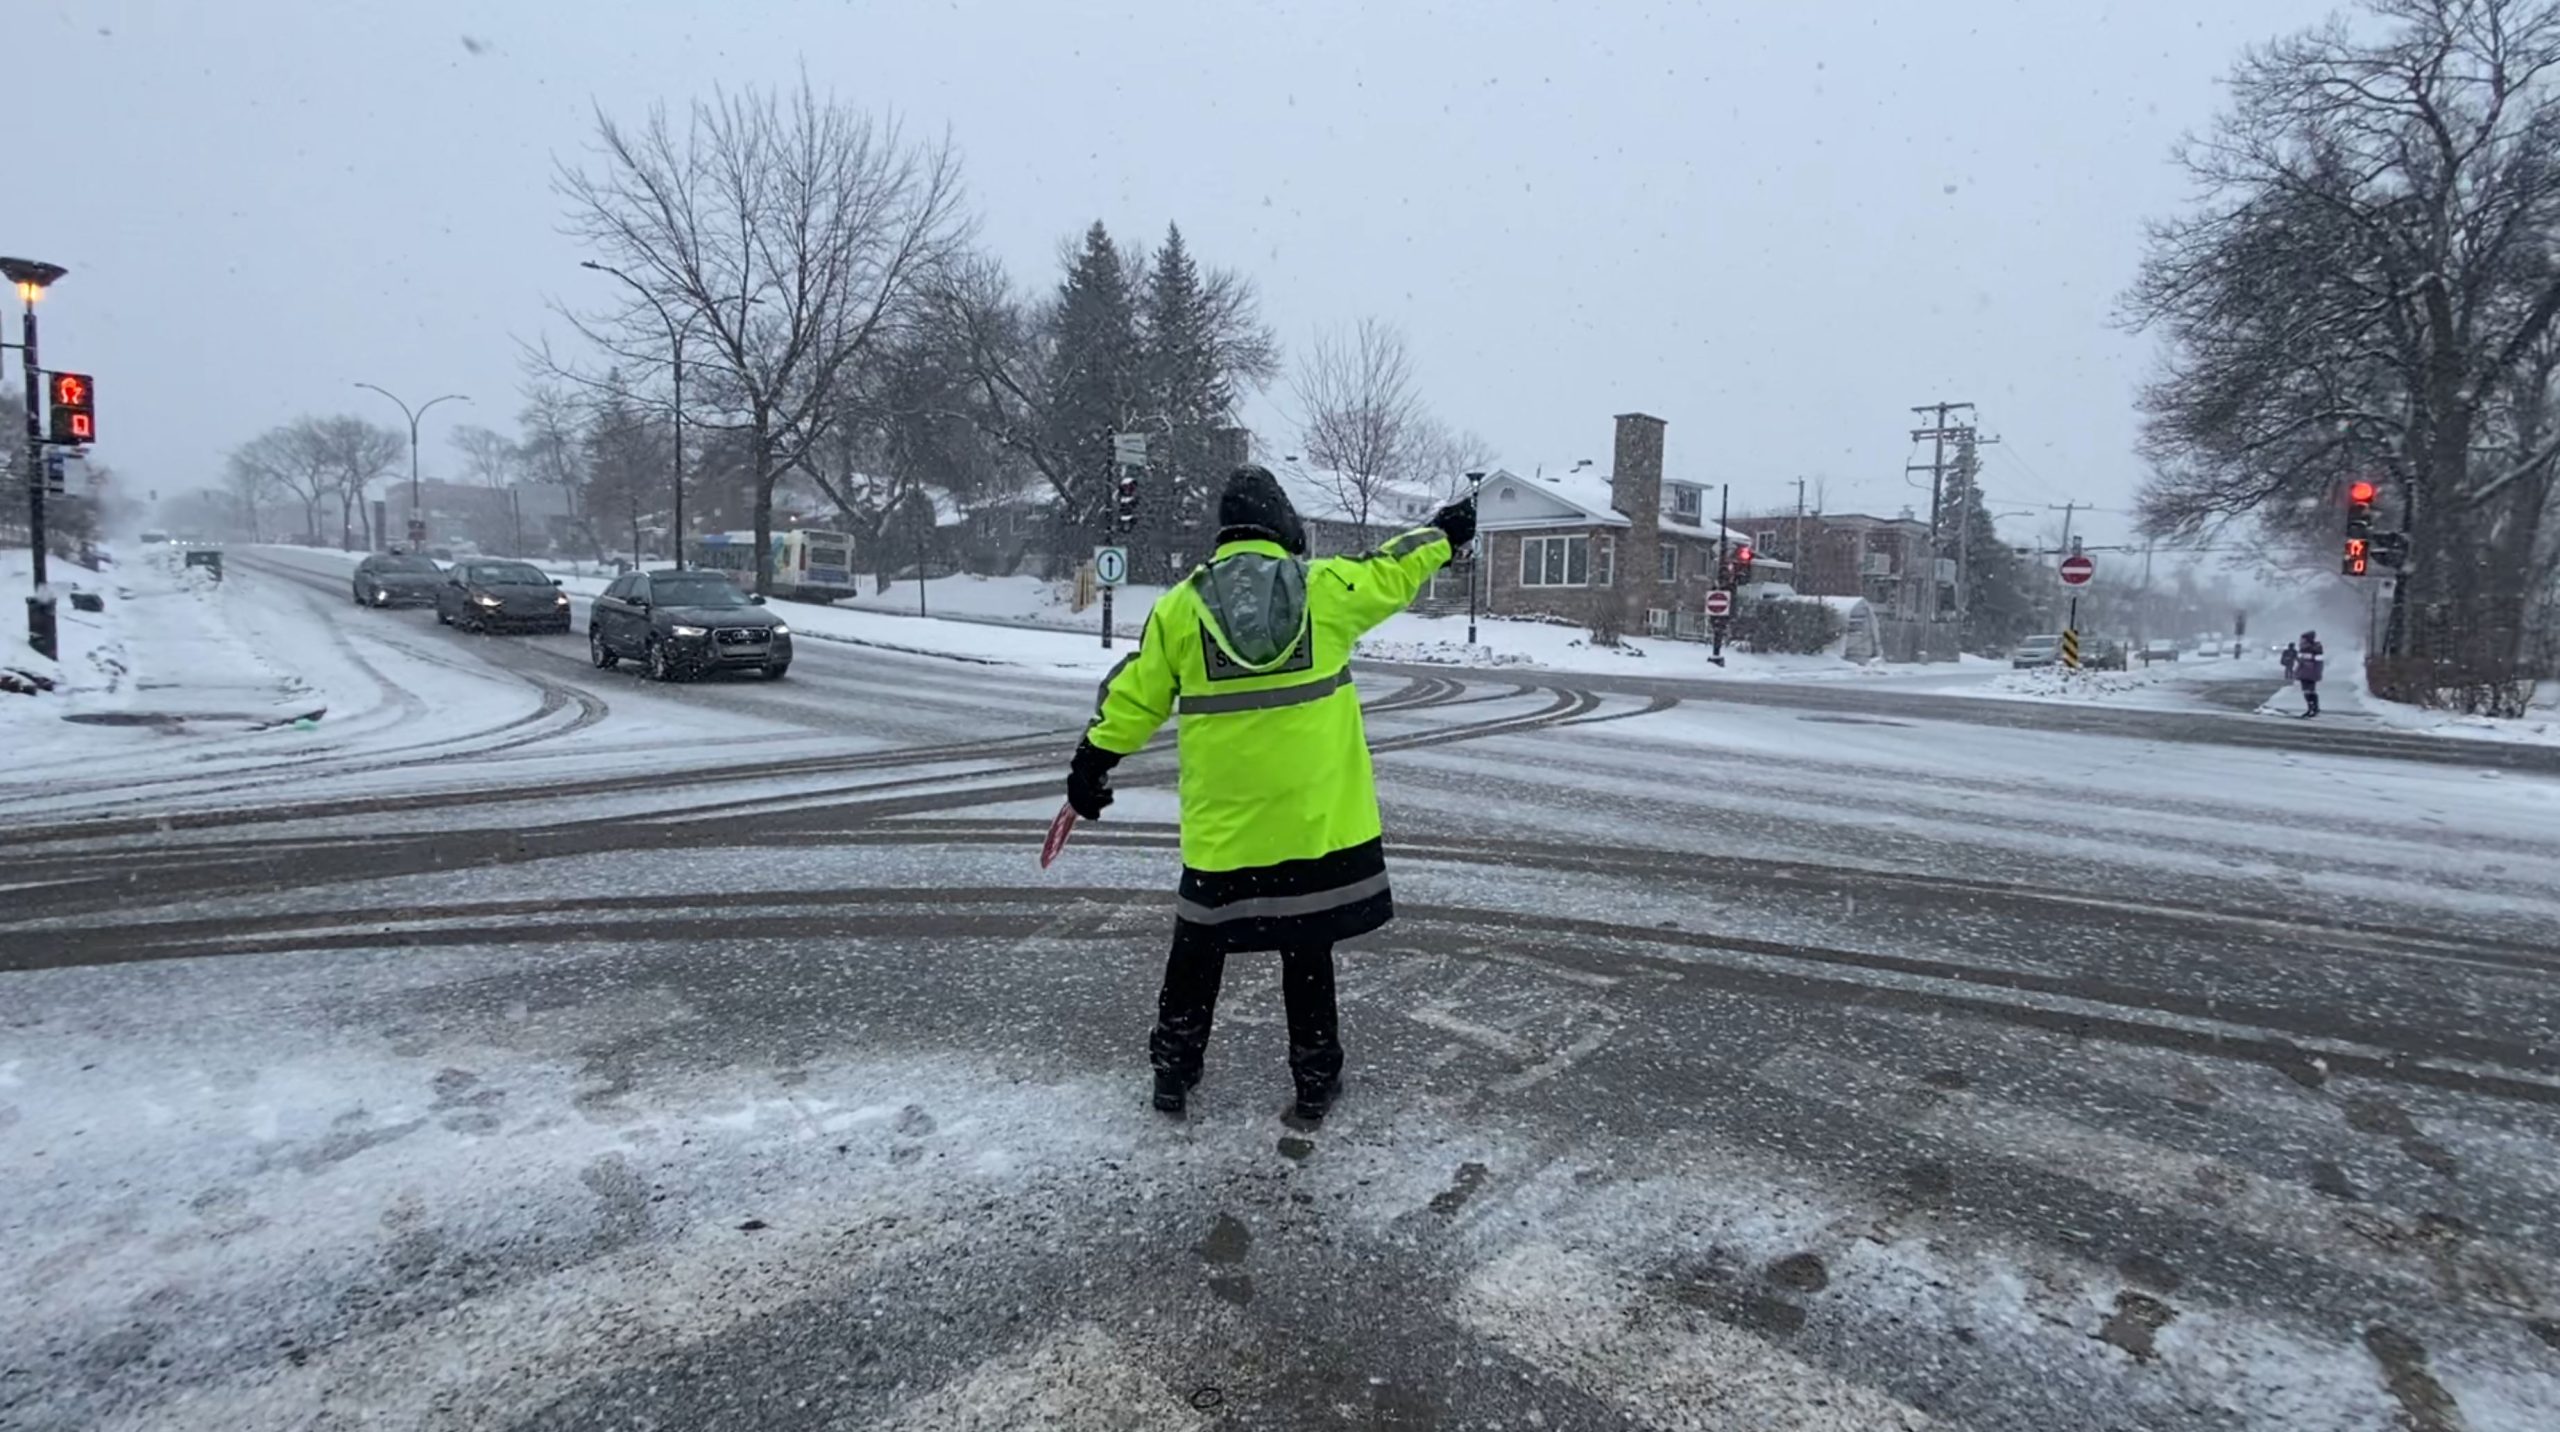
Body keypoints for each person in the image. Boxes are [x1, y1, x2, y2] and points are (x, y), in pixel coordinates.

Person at [1064, 464, 1471, 1123]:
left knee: (1197, 950)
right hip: (1311, 825)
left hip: (1224, 832)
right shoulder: (1324, 589)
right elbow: (1390, 570)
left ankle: (1173, 1072)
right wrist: (1444, 533)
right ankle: (1314, 1079)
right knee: (1306, 946)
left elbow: (1135, 696)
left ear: (1225, 532)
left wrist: (1092, 761)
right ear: (1283, 527)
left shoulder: (1180, 608)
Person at [2294, 630, 2325, 717]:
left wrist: (2303, 661)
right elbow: (2301, 659)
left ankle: (2313, 708)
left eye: (2303, 639)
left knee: (2309, 690)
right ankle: (2312, 708)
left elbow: (2317, 661)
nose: (2301, 640)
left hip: (2310, 672)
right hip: (2305, 671)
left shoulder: (2313, 648)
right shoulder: (2305, 648)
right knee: (2308, 691)